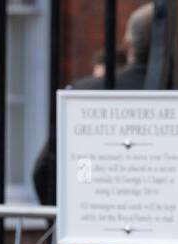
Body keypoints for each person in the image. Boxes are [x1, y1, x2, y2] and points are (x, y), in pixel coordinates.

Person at [32, 2, 153, 205]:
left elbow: (43, 169)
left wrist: (63, 220)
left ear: (128, 45)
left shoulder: (84, 92)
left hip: (93, 216)